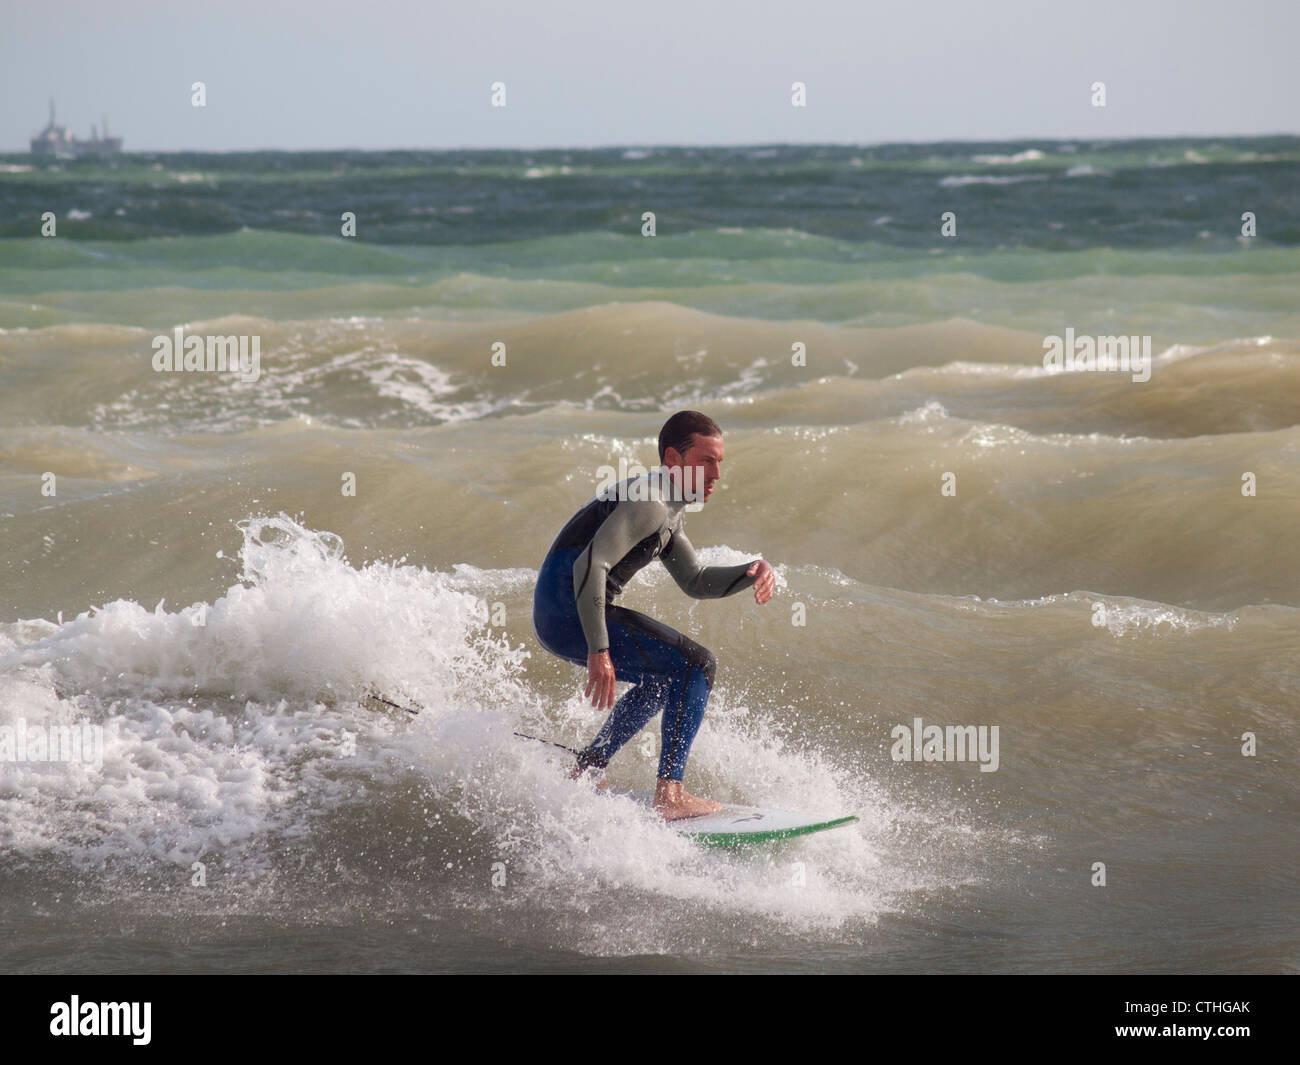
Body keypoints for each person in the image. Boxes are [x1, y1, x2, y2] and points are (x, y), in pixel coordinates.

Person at [531, 411, 776, 820]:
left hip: (567, 613)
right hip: (569, 612)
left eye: (720, 462)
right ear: (673, 461)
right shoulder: (650, 500)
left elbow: (695, 581)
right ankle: (670, 794)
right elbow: (589, 567)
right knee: (697, 666)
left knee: (666, 676)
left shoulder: (669, 511)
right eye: (706, 461)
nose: (716, 473)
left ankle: (587, 768)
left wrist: (750, 572)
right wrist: (599, 650)